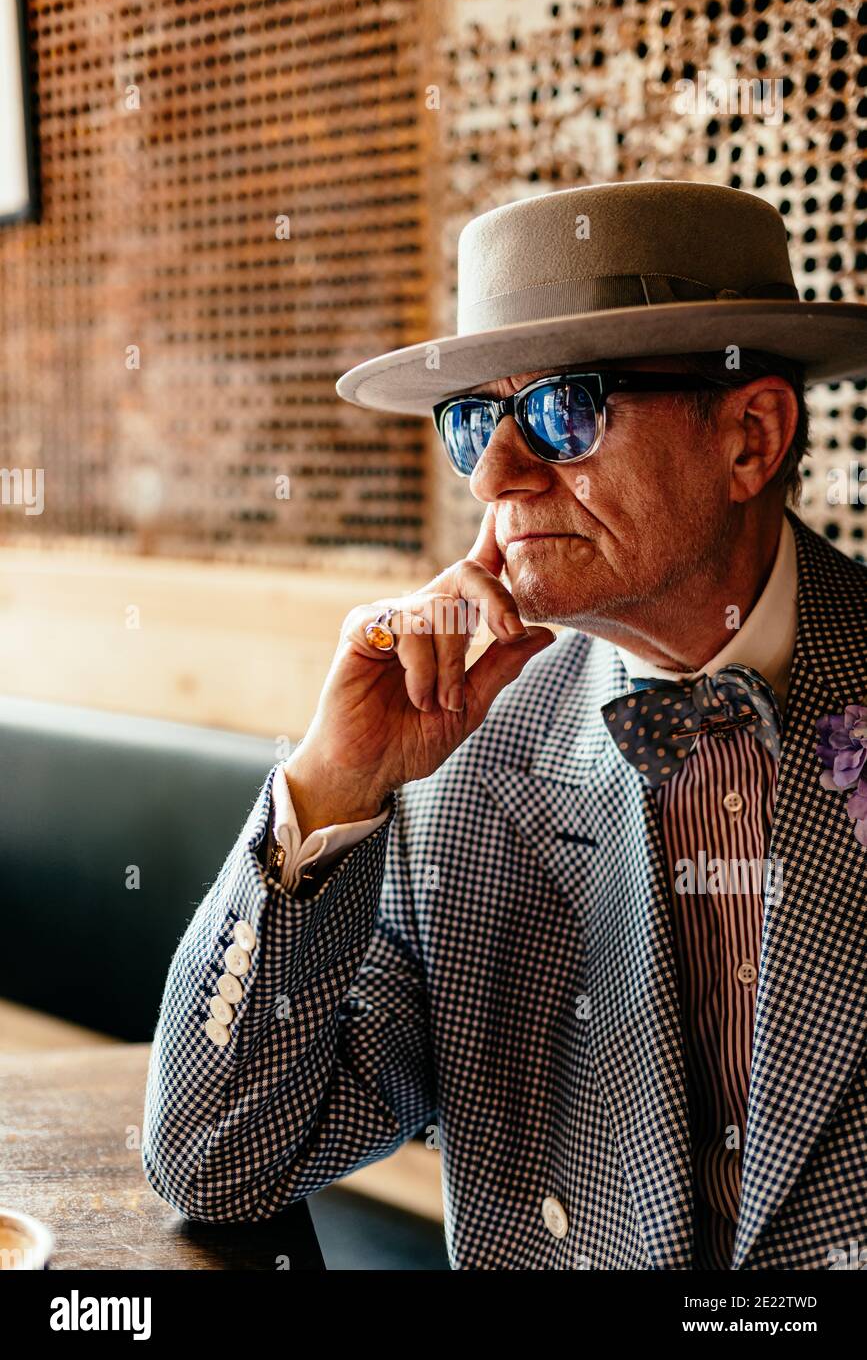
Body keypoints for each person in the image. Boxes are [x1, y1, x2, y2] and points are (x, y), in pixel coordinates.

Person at [143, 180, 867, 1270]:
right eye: (476, 417)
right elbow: (215, 1161)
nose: (494, 472)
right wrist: (334, 785)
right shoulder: (462, 763)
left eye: (563, 411)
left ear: (750, 437)